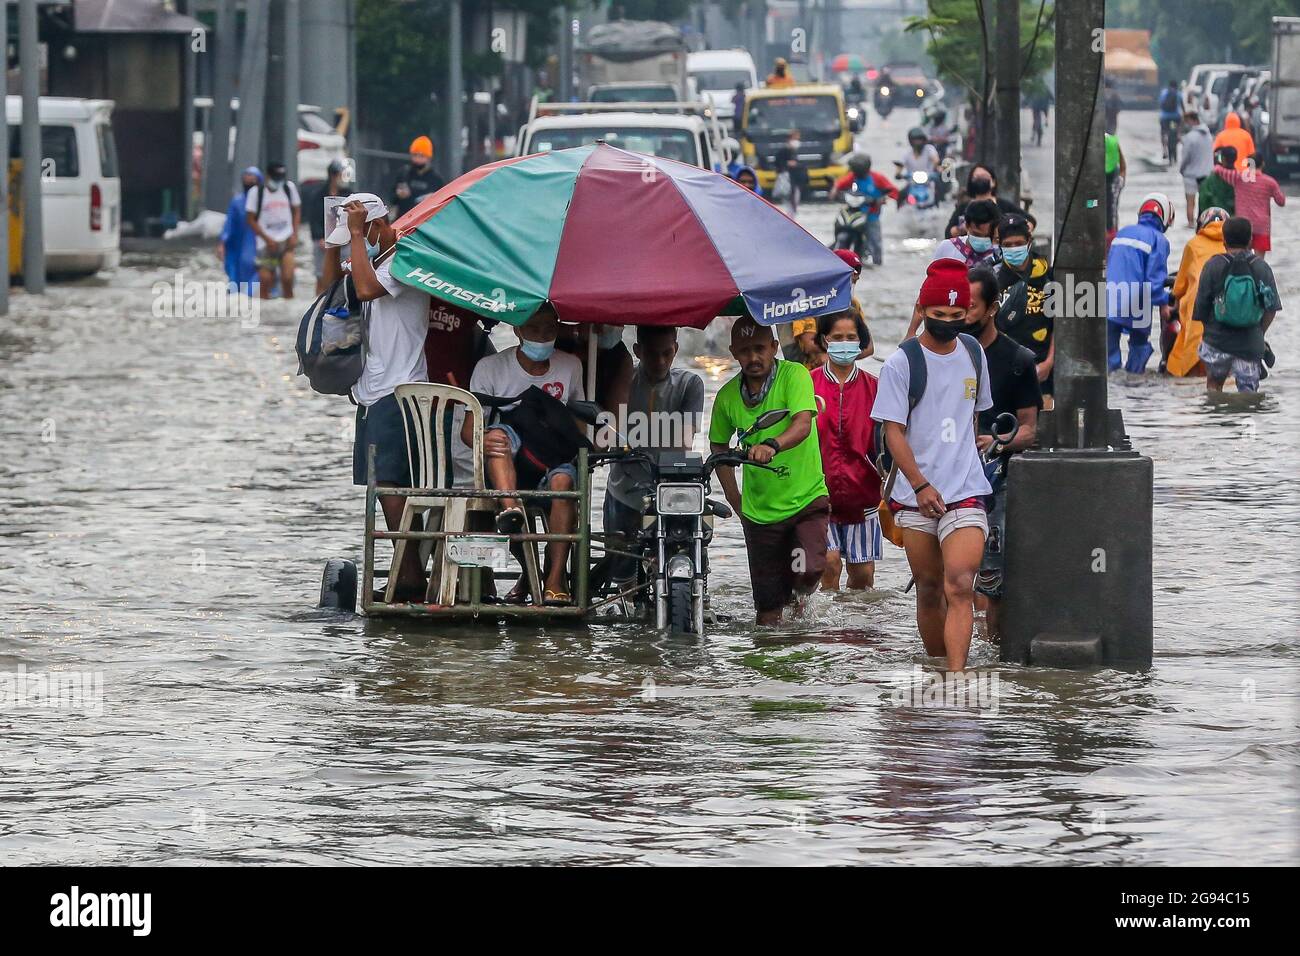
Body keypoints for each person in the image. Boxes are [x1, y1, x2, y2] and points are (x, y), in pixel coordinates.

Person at [872, 259, 992, 671]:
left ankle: (957, 679)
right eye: (939, 316)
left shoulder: (974, 353)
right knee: (928, 587)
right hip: (914, 494)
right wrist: (921, 485)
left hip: (965, 491)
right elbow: (893, 432)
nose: (948, 323)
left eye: (957, 317)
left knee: (960, 584)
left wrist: (966, 456)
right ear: (922, 311)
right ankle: (938, 668)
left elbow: (973, 415)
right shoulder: (901, 364)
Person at [329, 195, 432, 601]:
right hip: (373, 390)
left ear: (377, 225)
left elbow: (367, 288)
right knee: (383, 486)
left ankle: (409, 576)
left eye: (361, 232)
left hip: (399, 389)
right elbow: (339, 291)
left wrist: (356, 236)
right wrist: (343, 242)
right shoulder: (374, 261)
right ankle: (408, 571)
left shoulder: (404, 261)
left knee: (393, 485)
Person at [709, 315, 830, 625]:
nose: (754, 357)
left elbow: (803, 424)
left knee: (808, 572)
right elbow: (718, 449)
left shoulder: (795, 376)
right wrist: (736, 501)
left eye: (760, 348)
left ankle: (802, 607)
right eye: (746, 350)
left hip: (806, 499)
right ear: (734, 352)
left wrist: (773, 445)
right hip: (760, 514)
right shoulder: (725, 398)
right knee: (767, 614)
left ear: (775, 347)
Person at [466, 306, 587, 604]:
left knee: (563, 483)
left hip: (553, 459)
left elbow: (579, 427)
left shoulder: (570, 366)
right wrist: (483, 441)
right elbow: (469, 430)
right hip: (509, 461)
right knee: (498, 434)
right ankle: (511, 510)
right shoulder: (490, 367)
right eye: (534, 330)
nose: (542, 337)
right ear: (518, 330)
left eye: (549, 330)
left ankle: (555, 581)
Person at [965, 267, 1041, 643]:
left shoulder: (1018, 360)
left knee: (993, 580)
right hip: (947, 483)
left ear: (992, 308)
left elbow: (1031, 428)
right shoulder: (943, 355)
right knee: (950, 579)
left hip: (997, 483)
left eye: (970, 306)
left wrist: (996, 442)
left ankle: (993, 660)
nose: (961, 314)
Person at [603, 326, 706, 584]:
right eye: (652, 354)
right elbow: (610, 430)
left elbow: (685, 439)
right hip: (625, 487)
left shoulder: (689, 384)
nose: (660, 361)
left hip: (670, 487)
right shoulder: (623, 381)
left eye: (666, 353)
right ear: (638, 351)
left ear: (676, 350)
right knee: (621, 566)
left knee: (692, 545)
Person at [810, 309, 881, 590]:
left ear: (860, 341)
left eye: (851, 337)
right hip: (817, 495)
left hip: (862, 495)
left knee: (862, 576)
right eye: (837, 337)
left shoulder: (875, 387)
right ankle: (827, 633)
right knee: (829, 565)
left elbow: (889, 441)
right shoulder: (807, 384)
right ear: (825, 339)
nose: (844, 342)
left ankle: (856, 632)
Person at [1194, 216, 1282, 395]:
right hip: (1250, 346)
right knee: (1248, 397)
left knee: (1214, 392)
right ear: (1250, 240)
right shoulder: (1262, 268)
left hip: (1216, 345)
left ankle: (1215, 419)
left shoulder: (1212, 265)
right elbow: (1271, 309)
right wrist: (1259, 333)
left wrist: (1212, 334)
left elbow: (1200, 310)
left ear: (1224, 240)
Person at [1105, 193, 1174, 373]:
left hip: (1109, 298)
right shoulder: (1159, 239)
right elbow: (1154, 279)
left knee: (1108, 358)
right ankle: (1134, 387)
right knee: (1139, 346)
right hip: (1137, 300)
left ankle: (1114, 392)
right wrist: (1164, 302)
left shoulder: (1122, 233)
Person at [994, 214, 1055, 405]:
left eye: (1018, 243)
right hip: (1004, 370)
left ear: (1029, 242)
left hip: (1043, 370)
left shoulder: (1049, 277)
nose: (1013, 249)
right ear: (1000, 245)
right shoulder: (992, 280)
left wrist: (1048, 364)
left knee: (1042, 426)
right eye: (1008, 244)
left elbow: (1060, 326)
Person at [1166, 207, 1229, 378]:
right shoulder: (1232, 246)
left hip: (1197, 313)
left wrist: (1174, 300)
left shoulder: (1193, 245)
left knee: (1186, 368)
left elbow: (1180, 286)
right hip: (1228, 316)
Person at [246, 160, 302, 300]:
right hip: (266, 243)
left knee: (288, 278)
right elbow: (250, 219)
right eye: (275, 178)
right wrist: (267, 239)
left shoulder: (289, 188)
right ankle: (266, 315)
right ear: (267, 177)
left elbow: (296, 210)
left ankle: (289, 311)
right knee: (266, 280)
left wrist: (295, 234)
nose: (278, 182)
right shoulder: (256, 193)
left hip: (286, 240)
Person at [1211, 156, 1286, 258]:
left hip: (1242, 225)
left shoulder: (1238, 177)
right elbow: (1281, 201)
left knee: (1241, 258)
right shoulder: (1270, 182)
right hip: (1261, 226)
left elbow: (1218, 170)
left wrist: (1218, 166)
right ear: (1262, 164)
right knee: (1259, 261)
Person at [830, 154, 897, 266]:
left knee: (875, 241)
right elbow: (839, 184)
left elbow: (893, 191)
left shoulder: (877, 178)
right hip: (854, 212)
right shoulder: (852, 177)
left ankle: (877, 262)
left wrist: (883, 199)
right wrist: (834, 191)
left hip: (871, 215)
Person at [943, 165, 1032, 238]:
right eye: (976, 177)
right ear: (971, 182)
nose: (980, 179)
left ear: (993, 181)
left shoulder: (1004, 205)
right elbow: (948, 233)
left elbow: (1030, 221)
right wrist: (962, 229)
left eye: (984, 177)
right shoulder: (963, 207)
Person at [305, 159, 348, 294]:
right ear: (334, 175)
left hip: (345, 242)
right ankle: (319, 304)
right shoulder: (318, 195)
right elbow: (314, 218)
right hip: (322, 242)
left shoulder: (348, 194)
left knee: (345, 274)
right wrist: (320, 238)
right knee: (321, 276)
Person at [217, 166, 261, 294]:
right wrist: (222, 243)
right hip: (238, 248)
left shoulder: (263, 202)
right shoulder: (237, 202)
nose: (249, 182)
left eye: (252, 179)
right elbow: (229, 225)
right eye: (246, 179)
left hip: (257, 246)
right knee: (235, 282)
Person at [933, 198, 1001, 268]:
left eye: (988, 236)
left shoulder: (1000, 254)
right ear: (967, 226)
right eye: (977, 234)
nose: (982, 239)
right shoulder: (947, 248)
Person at [392, 135, 446, 218]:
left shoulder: (436, 179)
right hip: (403, 221)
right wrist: (398, 195)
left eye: (421, 156)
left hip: (424, 222)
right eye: (415, 155)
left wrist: (432, 200)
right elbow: (392, 199)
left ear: (429, 158)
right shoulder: (403, 173)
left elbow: (442, 206)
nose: (417, 159)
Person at [1178, 110, 1214, 227]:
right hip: (1206, 174)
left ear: (1191, 120)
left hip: (1190, 175)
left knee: (1190, 202)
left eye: (1186, 121)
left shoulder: (1189, 138)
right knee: (1203, 202)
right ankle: (1203, 224)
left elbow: (1185, 157)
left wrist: (1181, 169)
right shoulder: (1208, 136)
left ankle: (1190, 223)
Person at [895, 127, 941, 204]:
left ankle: (939, 207)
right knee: (900, 195)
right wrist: (898, 174)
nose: (918, 142)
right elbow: (900, 165)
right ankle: (899, 210)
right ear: (911, 141)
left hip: (928, 182)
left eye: (920, 140)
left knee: (939, 193)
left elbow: (935, 160)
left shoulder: (929, 149)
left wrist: (939, 168)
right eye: (915, 140)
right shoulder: (907, 153)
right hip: (912, 183)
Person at [774, 129, 806, 214]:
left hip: (797, 180)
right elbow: (778, 163)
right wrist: (787, 164)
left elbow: (803, 164)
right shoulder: (784, 150)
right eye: (795, 138)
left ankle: (792, 214)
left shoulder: (799, 150)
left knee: (795, 199)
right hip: (787, 180)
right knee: (788, 200)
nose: (797, 140)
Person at [1199, 146, 1236, 217]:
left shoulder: (1211, 179)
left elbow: (1203, 200)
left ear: (1223, 159)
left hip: (1215, 219)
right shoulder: (1240, 179)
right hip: (1233, 221)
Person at [1104, 132, 1127, 242]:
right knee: (1094, 205)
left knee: (1111, 208)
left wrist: (1121, 179)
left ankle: (1111, 233)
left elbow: (1123, 164)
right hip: (1098, 194)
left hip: (1113, 182)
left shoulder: (1112, 143)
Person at [1158, 80, 1182, 162]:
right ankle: (1178, 135)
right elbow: (1181, 105)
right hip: (1174, 118)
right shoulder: (1178, 93)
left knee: (1164, 132)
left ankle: (1165, 150)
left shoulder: (1164, 93)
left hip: (1164, 118)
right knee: (1174, 131)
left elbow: (1160, 104)